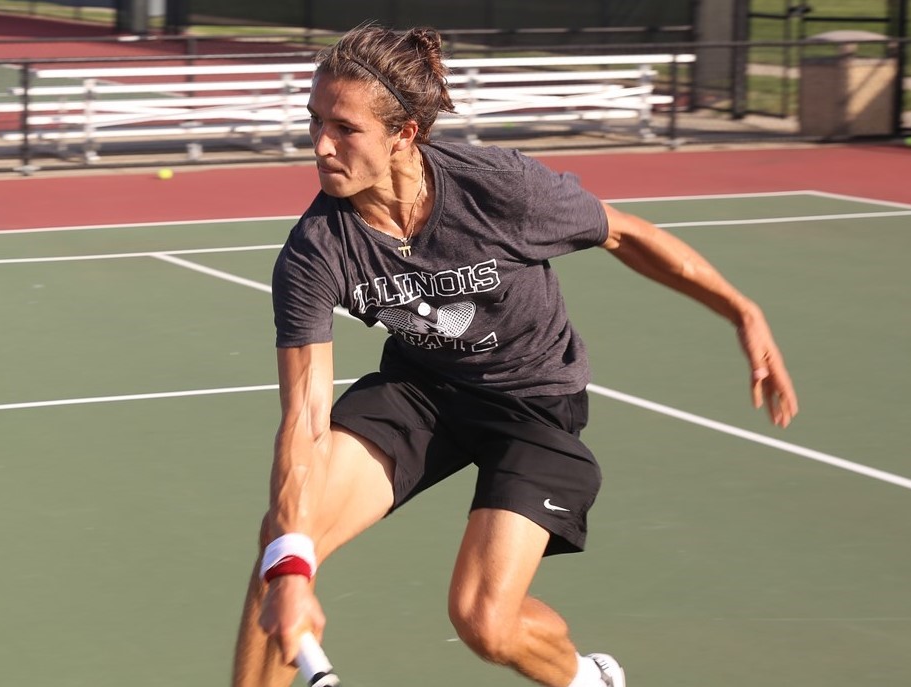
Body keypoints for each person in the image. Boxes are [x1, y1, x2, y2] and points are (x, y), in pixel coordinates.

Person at [232, 23, 798, 687]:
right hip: (422, 390)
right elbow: (303, 419)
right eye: (314, 121)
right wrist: (293, 572)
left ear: (405, 134)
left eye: (345, 128)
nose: (321, 145)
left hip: (535, 403)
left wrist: (742, 310)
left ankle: (586, 678)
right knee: (284, 542)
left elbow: (627, 234)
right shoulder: (315, 250)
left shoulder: (501, 189)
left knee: (484, 622)